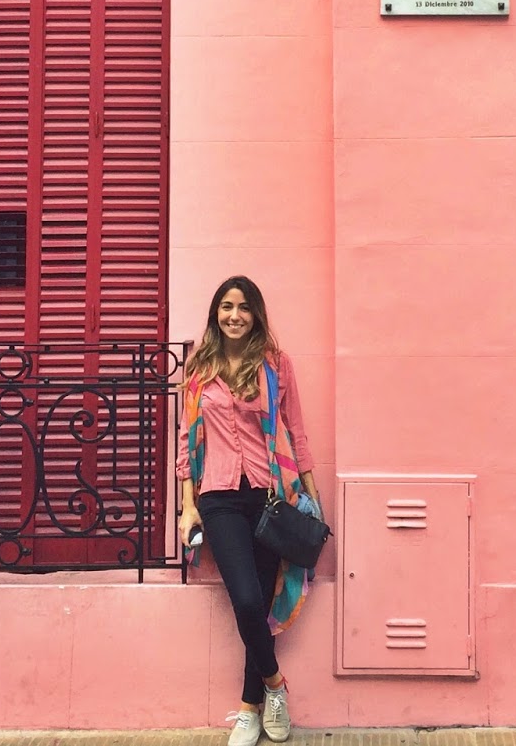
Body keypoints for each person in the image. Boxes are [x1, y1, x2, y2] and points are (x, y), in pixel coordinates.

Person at [177, 276, 321, 746]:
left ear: (256, 313)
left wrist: (310, 498)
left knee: (260, 600)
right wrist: (186, 507)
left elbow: (295, 432)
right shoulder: (200, 369)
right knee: (244, 599)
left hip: (268, 497)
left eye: (242, 307)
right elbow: (185, 441)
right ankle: (275, 685)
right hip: (217, 497)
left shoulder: (276, 366)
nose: (234, 315)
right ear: (216, 314)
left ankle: (247, 710)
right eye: (226, 307)